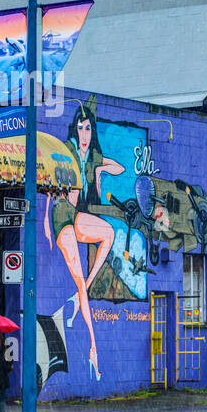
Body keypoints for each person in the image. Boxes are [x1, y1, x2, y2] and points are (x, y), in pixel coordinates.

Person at [42, 96, 123, 381]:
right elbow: (50, 186)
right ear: (74, 130)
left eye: (89, 128)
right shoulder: (67, 151)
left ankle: (82, 292)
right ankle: (93, 348)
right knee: (78, 280)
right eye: (81, 128)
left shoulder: (91, 158)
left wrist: (99, 169)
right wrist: (46, 222)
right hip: (62, 217)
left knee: (108, 233)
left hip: (75, 216)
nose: (85, 134)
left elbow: (120, 169)